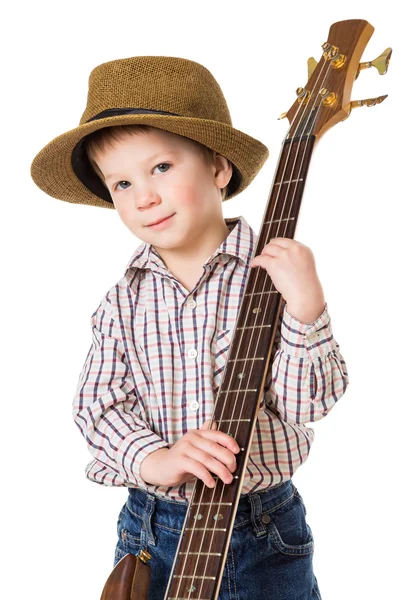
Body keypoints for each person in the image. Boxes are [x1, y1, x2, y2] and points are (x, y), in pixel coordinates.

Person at [30, 55, 349, 600]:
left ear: (219, 168)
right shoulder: (123, 300)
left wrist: (305, 309)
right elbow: (98, 406)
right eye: (122, 183)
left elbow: (308, 405)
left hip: (260, 530)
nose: (144, 197)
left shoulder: (274, 278)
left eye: (161, 168)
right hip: (153, 528)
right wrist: (158, 459)